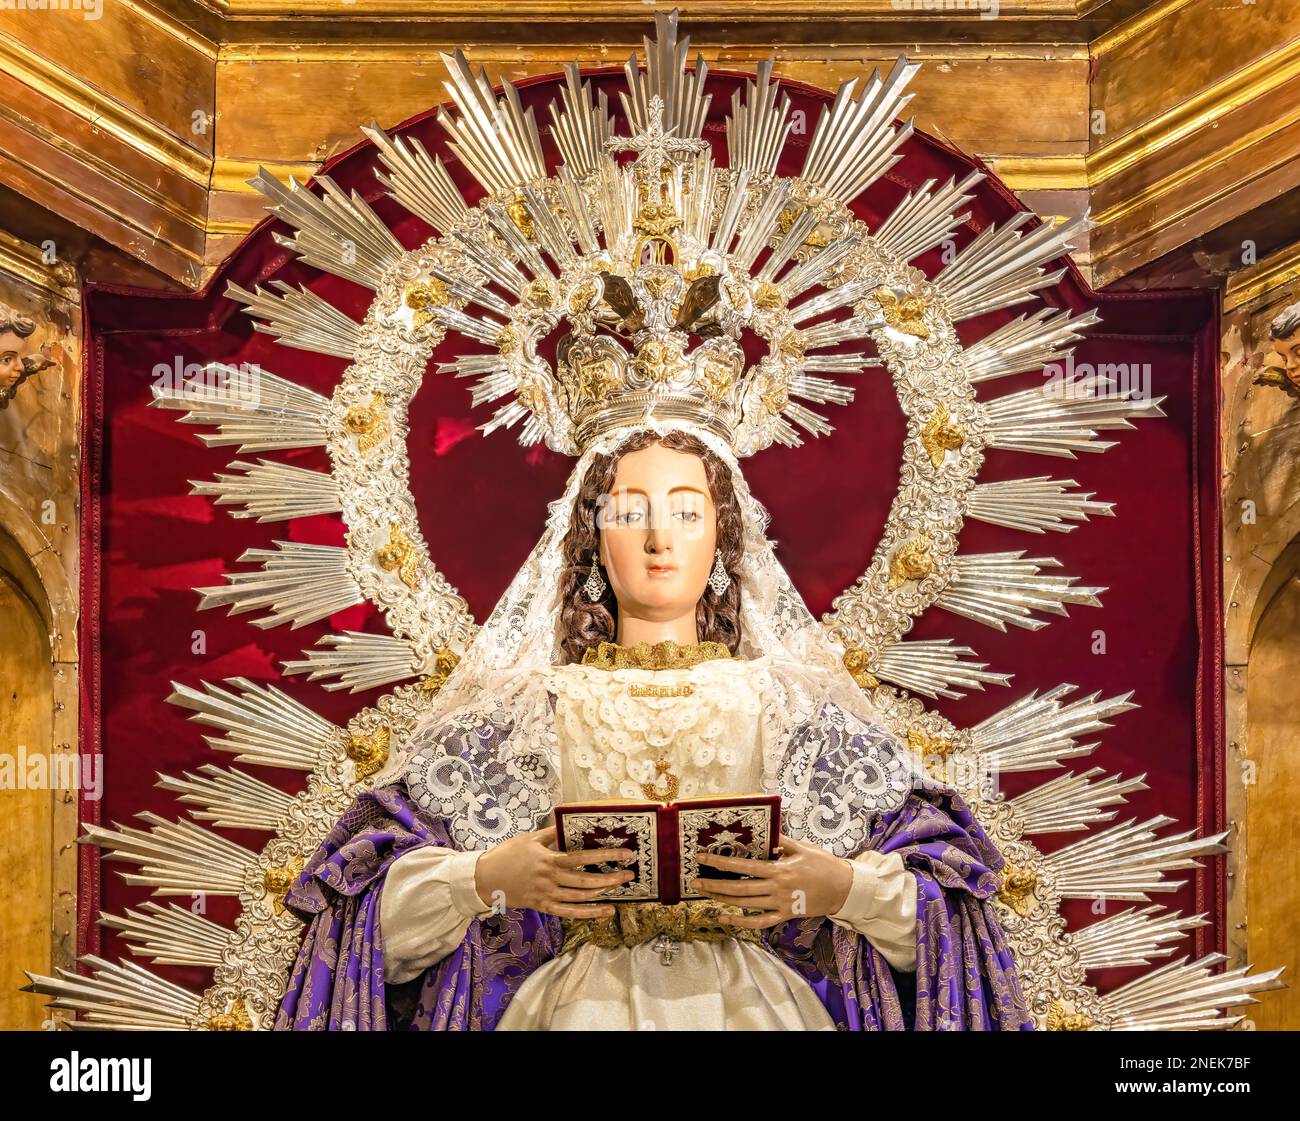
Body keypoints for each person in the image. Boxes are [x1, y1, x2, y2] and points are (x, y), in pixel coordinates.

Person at [274, 421, 1032, 1031]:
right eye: (631, 510)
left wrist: (841, 888)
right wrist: (487, 876)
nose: (659, 537)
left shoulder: (790, 708)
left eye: (686, 509)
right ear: (595, 539)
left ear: (724, 537)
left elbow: (952, 903)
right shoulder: (527, 710)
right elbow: (363, 914)